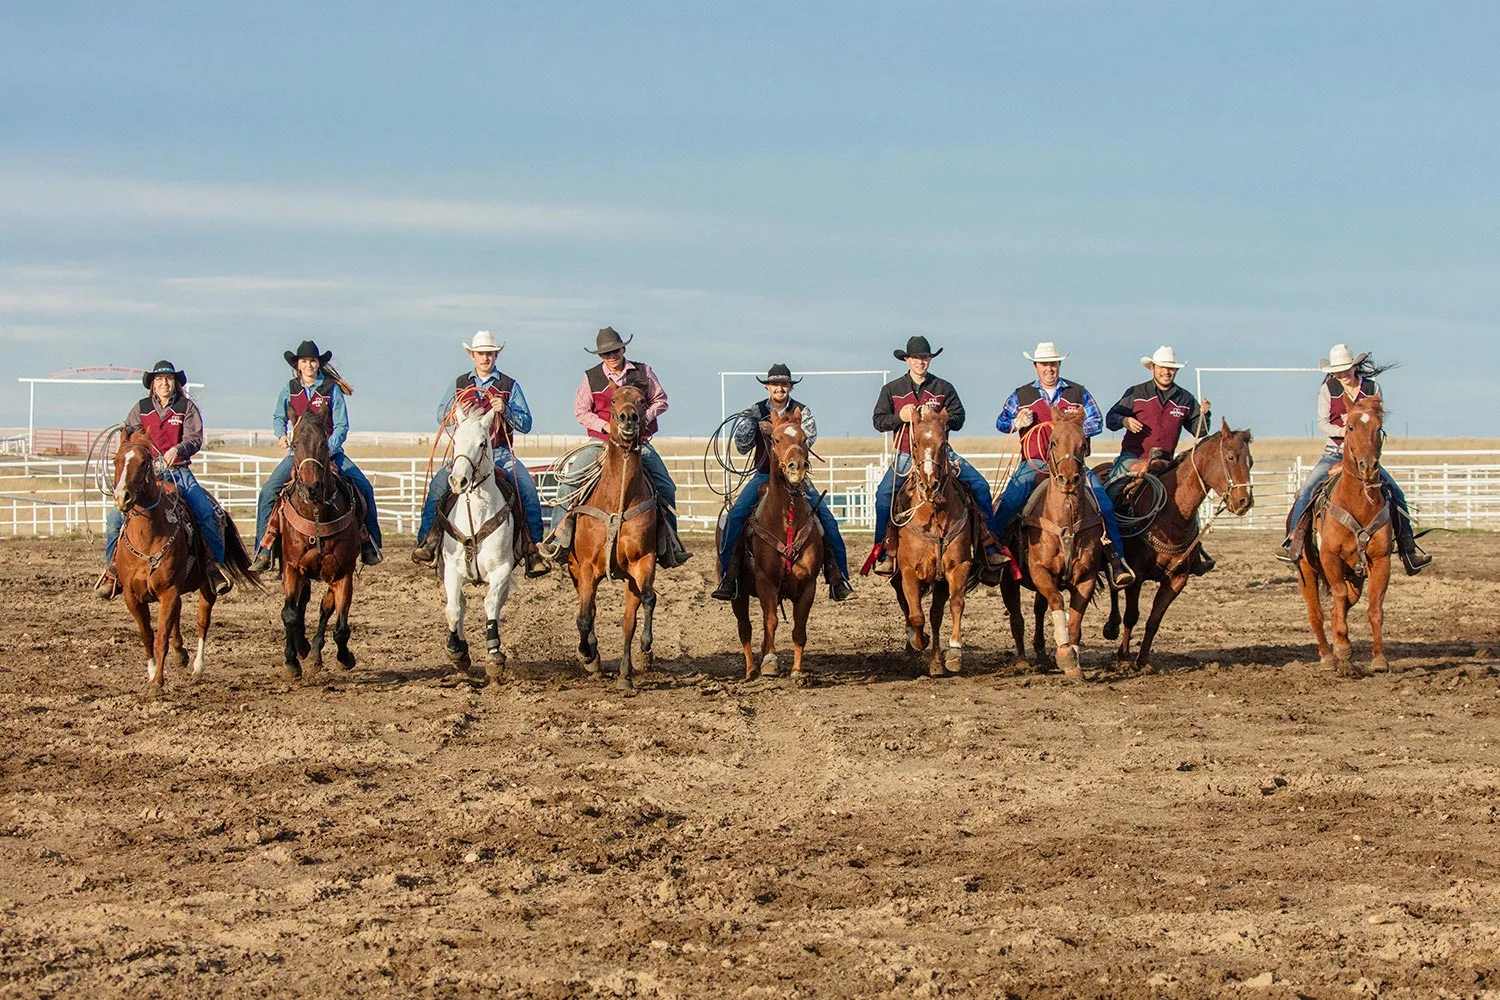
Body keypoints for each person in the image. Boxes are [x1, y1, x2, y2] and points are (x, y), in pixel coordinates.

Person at [537, 326, 691, 567]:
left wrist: (644, 418)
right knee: (569, 482)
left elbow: (661, 400)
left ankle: (671, 543)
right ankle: (557, 538)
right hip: (601, 443)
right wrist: (604, 426)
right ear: (600, 356)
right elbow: (581, 411)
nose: (611, 356)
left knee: (666, 485)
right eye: (606, 353)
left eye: (615, 351)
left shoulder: (643, 372)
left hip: (638, 444)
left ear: (623, 349)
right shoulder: (591, 378)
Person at [992, 341, 1136, 588]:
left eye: (1053, 364)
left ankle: (1116, 560)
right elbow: (1002, 422)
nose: (1050, 369)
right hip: (1035, 462)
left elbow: (1096, 422)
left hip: (1073, 464)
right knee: (1009, 503)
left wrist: (1073, 427)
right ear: (1036, 367)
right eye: (1045, 364)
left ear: (1059, 365)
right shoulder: (1022, 395)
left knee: (1103, 504)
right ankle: (995, 556)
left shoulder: (1077, 393)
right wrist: (1017, 421)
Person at [1277, 344, 1431, 574]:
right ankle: (1293, 540)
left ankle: (1408, 549)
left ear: (1354, 366)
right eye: (1338, 371)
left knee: (1396, 494)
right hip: (1334, 453)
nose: (1342, 375)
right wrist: (1348, 429)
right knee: (1308, 490)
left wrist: (1361, 432)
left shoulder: (1372, 388)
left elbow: (1377, 420)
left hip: (1364, 454)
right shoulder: (1328, 389)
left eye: (1346, 369)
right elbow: (1322, 424)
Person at [409, 331, 548, 576]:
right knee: (438, 487)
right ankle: (428, 542)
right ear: (473, 356)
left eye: (490, 353)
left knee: (526, 488)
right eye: (481, 353)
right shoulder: (460, 384)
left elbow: (525, 423)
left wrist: (506, 410)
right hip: (465, 454)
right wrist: (454, 412)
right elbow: (441, 415)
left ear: (496, 355)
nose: (485, 358)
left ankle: (532, 548)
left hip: (500, 452)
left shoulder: (508, 386)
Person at [711, 364, 854, 602]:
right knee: (736, 516)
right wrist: (753, 426)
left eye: (784, 384)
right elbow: (742, 445)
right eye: (775, 384)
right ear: (768, 386)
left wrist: (776, 430)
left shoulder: (803, 412)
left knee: (827, 519)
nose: (780, 388)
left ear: (790, 386)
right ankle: (730, 576)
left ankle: (838, 577)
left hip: (796, 476)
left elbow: (809, 439)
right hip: (764, 474)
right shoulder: (754, 411)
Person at [869, 335, 1007, 577]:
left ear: (930, 359)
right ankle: (885, 552)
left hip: (943, 455)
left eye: (925, 358)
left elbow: (959, 417)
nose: (920, 362)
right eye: (916, 358)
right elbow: (878, 421)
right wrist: (899, 417)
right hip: (907, 455)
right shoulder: (892, 390)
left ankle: (990, 546)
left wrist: (940, 416)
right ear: (907, 360)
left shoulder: (943, 388)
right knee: (884, 496)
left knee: (980, 486)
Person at [96, 359, 231, 598]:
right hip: (146, 475)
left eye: (169, 379)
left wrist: (177, 449)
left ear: (175, 383)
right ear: (153, 385)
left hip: (178, 471)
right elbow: (128, 438)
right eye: (159, 379)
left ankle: (214, 566)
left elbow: (195, 437)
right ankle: (113, 571)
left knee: (206, 513)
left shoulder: (186, 407)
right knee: (114, 519)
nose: (164, 383)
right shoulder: (141, 408)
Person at [248, 341, 382, 570]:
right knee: (268, 491)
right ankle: (264, 549)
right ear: (297, 365)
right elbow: (278, 417)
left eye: (312, 360)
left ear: (318, 363)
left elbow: (341, 425)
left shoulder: (331, 389)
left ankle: (370, 544)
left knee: (363, 487)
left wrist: (327, 449)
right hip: (299, 455)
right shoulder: (289, 389)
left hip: (331, 454)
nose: (309, 365)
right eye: (304, 361)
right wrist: (281, 435)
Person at [1104, 345, 1216, 575]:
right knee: (1110, 494)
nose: (1167, 372)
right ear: (1153, 368)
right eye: (1163, 367)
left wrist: (1205, 414)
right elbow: (1111, 418)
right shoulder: (1136, 393)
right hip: (1132, 457)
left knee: (1185, 502)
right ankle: (1106, 547)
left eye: (1171, 369)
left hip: (1166, 461)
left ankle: (1193, 552)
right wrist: (1125, 421)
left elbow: (1199, 430)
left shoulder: (1184, 398)